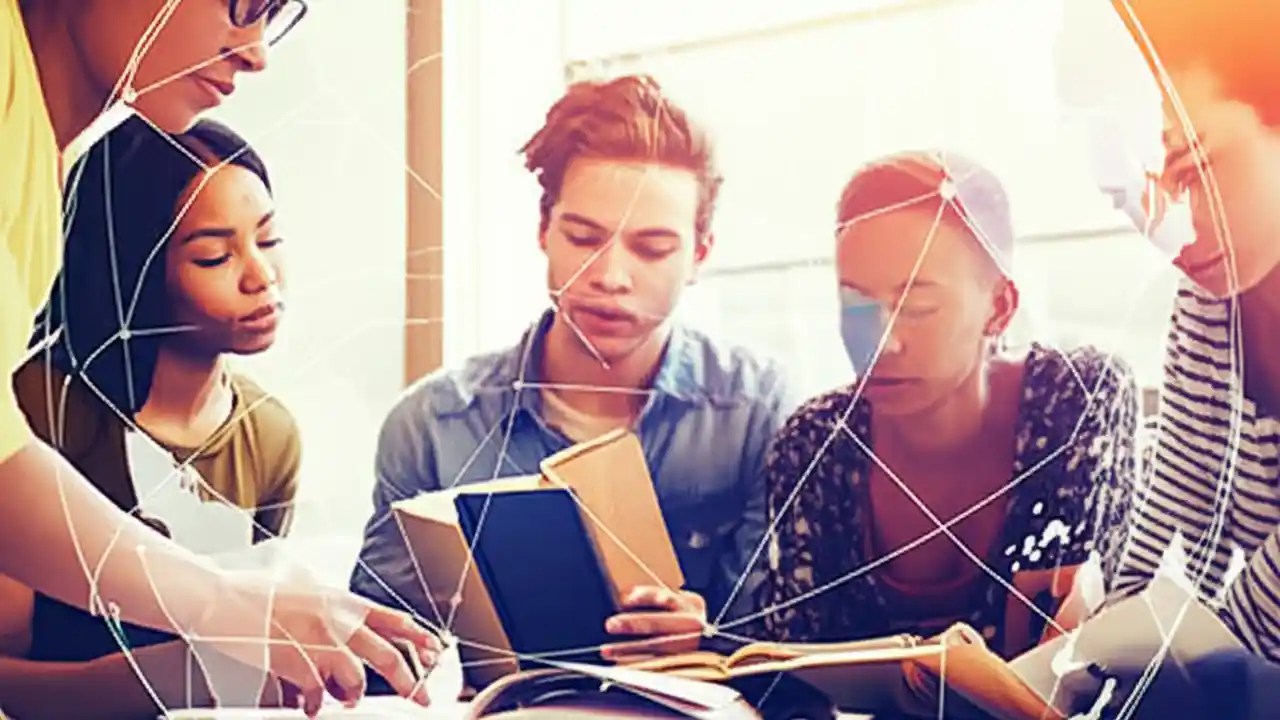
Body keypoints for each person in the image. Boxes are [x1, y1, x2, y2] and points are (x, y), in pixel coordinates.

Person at [1, 1, 433, 714]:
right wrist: (222, 614)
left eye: (274, 13)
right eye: (239, 3)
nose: (257, 52)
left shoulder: (42, 163)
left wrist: (237, 618)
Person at [349, 74, 797, 667]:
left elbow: (791, 643)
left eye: (653, 249)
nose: (611, 275)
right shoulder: (432, 423)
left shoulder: (759, 412)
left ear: (700, 255)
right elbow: (378, 657)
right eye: (583, 237)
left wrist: (709, 638)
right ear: (543, 230)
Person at [742, 151, 1138, 658]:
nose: (881, 342)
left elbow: (1071, 653)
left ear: (999, 307)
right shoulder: (815, 441)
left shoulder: (1077, 401)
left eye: (918, 308)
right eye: (856, 305)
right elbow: (788, 663)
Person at [0, 115, 305, 718]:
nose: (261, 276)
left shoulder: (271, 434)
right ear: (133, 267)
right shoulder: (34, 412)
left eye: (268, 240)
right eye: (215, 257)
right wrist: (160, 679)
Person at [1104, 0, 1280, 666]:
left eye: (1199, 170)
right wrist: (1102, 643)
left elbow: (1247, 627)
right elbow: (1180, 494)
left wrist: (1147, 668)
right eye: (1144, 194)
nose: (1172, 230)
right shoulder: (1208, 304)